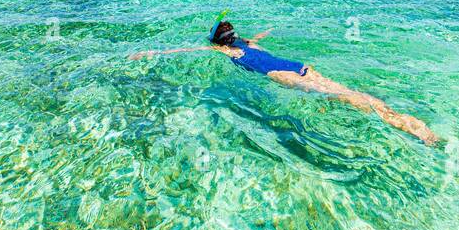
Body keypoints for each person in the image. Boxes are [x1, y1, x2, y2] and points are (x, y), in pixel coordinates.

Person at [130, 18, 440, 144]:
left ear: (218, 43)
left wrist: (151, 52)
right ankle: (406, 122)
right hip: (299, 66)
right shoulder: (250, 44)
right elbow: (257, 36)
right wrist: (273, 26)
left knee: (350, 99)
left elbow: (189, 49)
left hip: (283, 75)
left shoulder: (228, 52)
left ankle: (415, 130)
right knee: (347, 92)